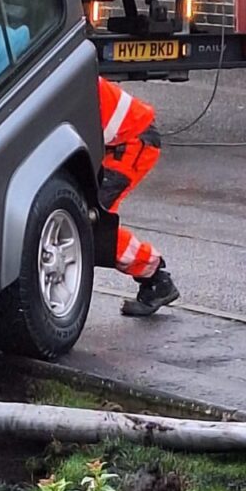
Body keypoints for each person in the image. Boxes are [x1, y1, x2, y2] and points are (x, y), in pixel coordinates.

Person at [97, 76, 180, 317]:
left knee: (92, 222)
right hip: (123, 139)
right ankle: (155, 278)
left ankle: (155, 277)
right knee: (84, 219)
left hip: (133, 142)